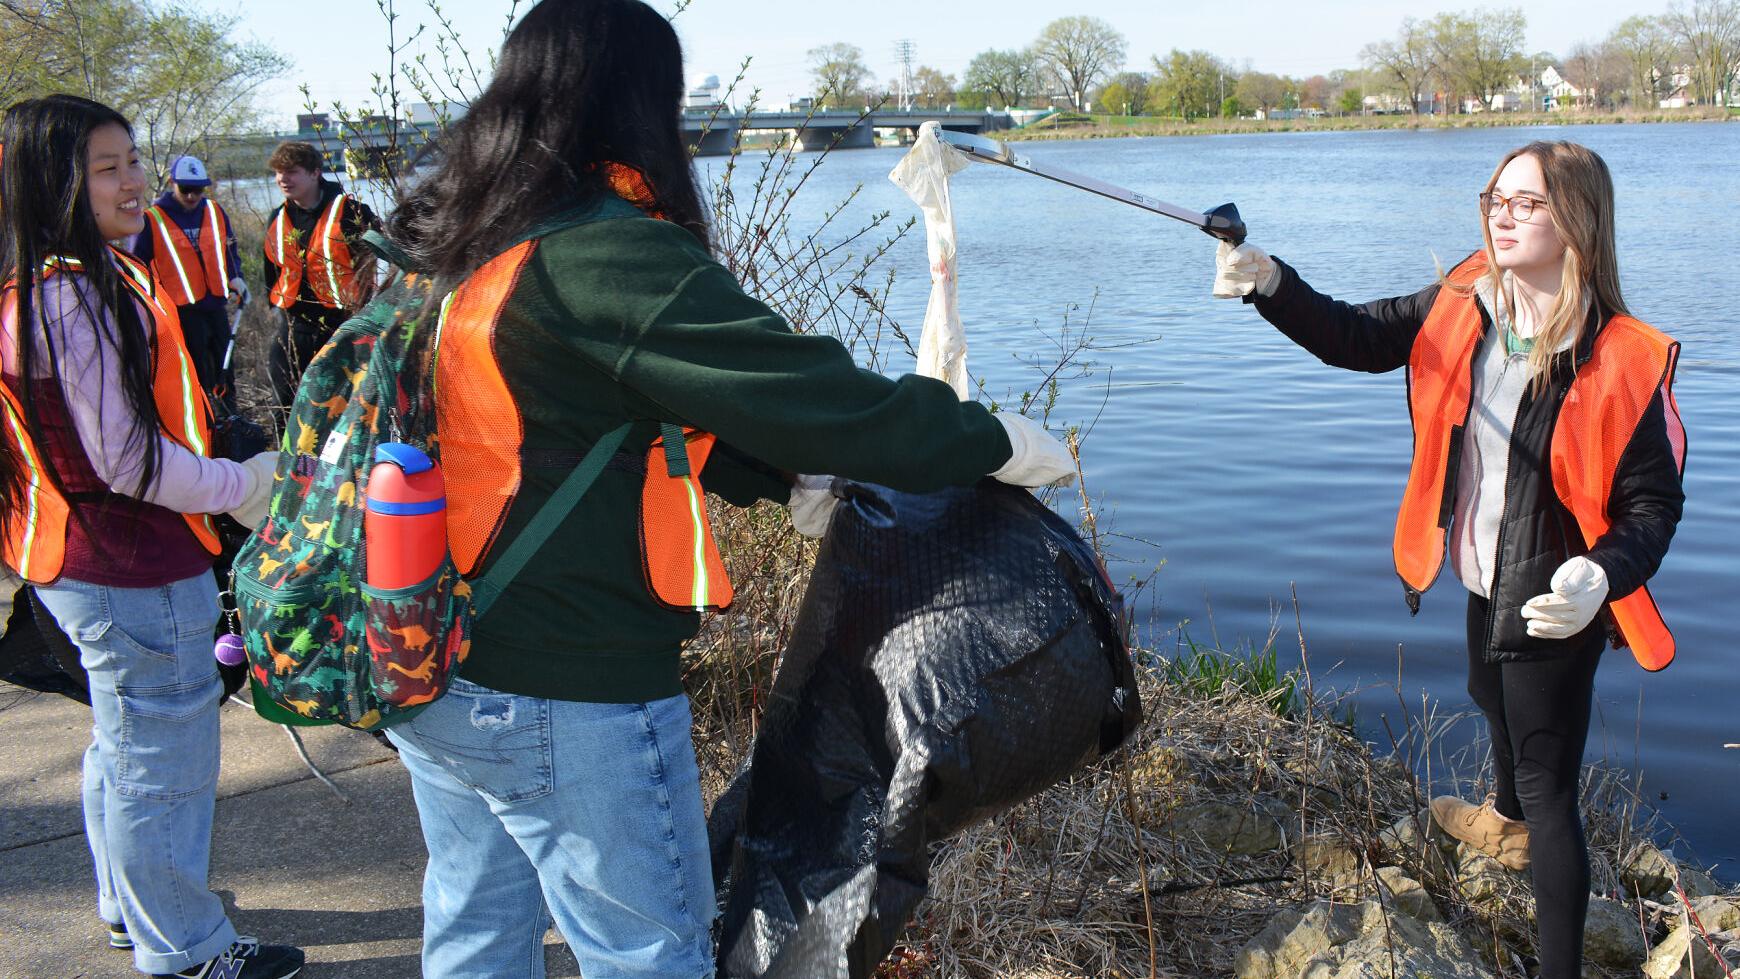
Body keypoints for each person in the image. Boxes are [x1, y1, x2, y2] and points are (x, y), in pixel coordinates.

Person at [371, 1, 1076, 975]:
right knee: (649, 953)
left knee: (474, 935)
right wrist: (987, 440)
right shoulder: (605, 250)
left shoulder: (459, 241)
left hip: (437, 658)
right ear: (635, 99)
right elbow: (814, 394)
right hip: (573, 687)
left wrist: (788, 479)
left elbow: (590, 425)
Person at [1213, 140, 1684, 979]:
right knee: (1480, 689)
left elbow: (1654, 505)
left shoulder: (1620, 356)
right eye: (1495, 198)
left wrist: (1601, 575)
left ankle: (1558, 961)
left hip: (1553, 596)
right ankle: (1501, 822)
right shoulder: (1467, 301)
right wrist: (1270, 282)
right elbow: (1355, 336)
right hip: (1479, 569)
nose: (1503, 213)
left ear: (1576, 217)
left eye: (1526, 202)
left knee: (1550, 785)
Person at [0, 95, 297, 979]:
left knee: (124, 745)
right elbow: (131, 461)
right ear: (54, 185)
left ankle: (134, 909)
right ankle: (187, 947)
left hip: (75, 557)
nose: (133, 181)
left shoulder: (40, 288)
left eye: (133, 159)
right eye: (106, 168)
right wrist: (245, 483)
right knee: (161, 765)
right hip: (128, 565)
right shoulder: (72, 299)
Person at [260, 140, 378, 421]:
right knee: (285, 398)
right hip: (293, 322)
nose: (282, 179)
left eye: (291, 171)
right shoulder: (278, 217)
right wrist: (271, 306)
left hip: (341, 323)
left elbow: (373, 260)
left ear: (314, 173)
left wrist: (364, 312)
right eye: (278, 172)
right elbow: (271, 268)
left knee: (340, 401)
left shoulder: (351, 211)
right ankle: (285, 457)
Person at [130, 155, 245, 399]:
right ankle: (205, 423)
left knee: (225, 366)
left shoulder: (214, 211)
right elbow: (137, 265)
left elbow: (229, 248)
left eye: (198, 190)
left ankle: (230, 418)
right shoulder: (153, 218)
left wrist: (236, 277)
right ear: (172, 183)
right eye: (186, 190)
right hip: (181, 310)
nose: (192, 196)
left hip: (215, 304)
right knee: (196, 371)